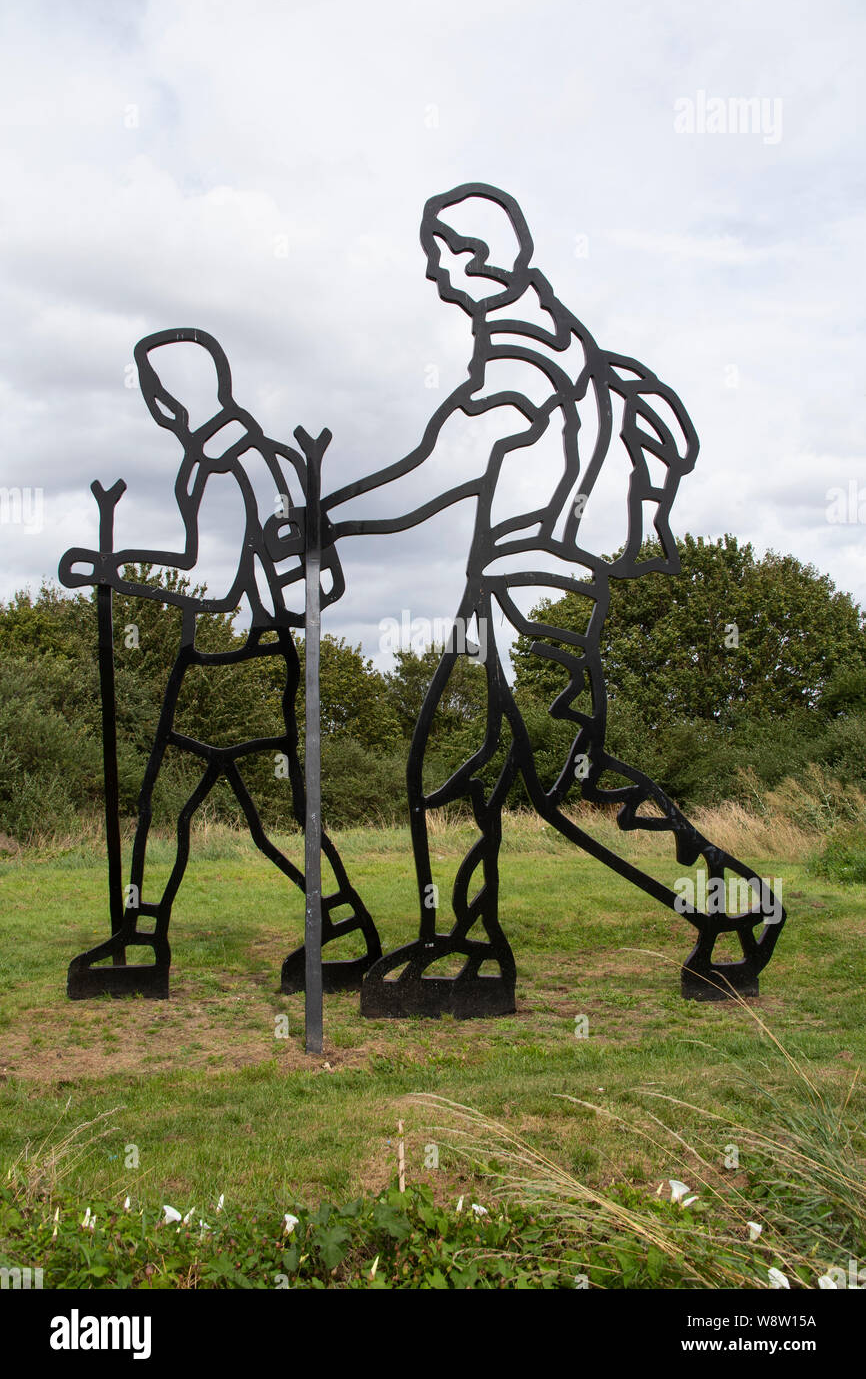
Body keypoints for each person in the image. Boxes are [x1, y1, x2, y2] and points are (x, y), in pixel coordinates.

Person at [322, 182, 785, 1017]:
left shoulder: (524, 352)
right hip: (511, 591)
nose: (435, 275)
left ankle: (736, 906)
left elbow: (439, 468)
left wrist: (326, 520)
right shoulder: (549, 340)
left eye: (445, 255)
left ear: (486, 255)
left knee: (552, 782)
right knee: (468, 776)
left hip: (532, 594)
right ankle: (472, 943)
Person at [59, 328, 381, 998]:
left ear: (180, 396)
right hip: (244, 652)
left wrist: (113, 572)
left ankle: (148, 934)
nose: (158, 407)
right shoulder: (250, 454)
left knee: (174, 809)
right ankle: (339, 922)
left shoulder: (227, 462)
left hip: (228, 655)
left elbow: (209, 575)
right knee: (252, 821)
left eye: (159, 392)